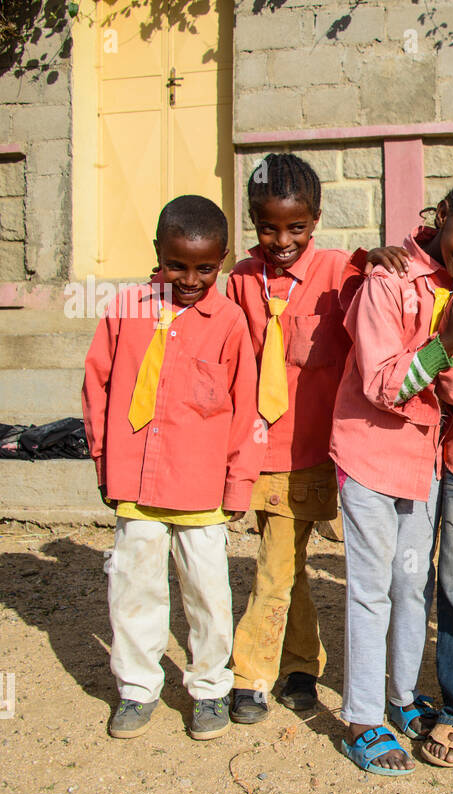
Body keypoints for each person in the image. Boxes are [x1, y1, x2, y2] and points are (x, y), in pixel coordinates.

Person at [328, 170, 453, 775]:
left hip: (423, 462)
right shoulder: (387, 281)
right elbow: (384, 385)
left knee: (413, 584)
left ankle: (402, 694)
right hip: (368, 456)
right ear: (441, 215)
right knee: (371, 587)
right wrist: (447, 338)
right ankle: (362, 717)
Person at [225, 152, 406, 725]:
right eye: (267, 227)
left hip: (318, 454)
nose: (281, 240)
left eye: (296, 227)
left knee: (278, 563)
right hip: (260, 451)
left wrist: (377, 263)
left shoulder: (338, 273)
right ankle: (301, 664)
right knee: (286, 561)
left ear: (317, 218)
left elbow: (382, 303)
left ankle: (250, 673)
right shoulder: (237, 280)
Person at [82, 194, 260, 741]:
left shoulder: (229, 322)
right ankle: (137, 687)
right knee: (135, 587)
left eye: (205, 267)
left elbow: (245, 407)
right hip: (136, 478)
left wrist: (238, 483)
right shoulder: (125, 310)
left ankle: (209, 686)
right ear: (157, 252)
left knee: (208, 590)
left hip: (203, 485)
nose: (189, 277)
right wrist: (103, 461)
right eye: (176, 264)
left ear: (223, 260)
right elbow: (98, 386)